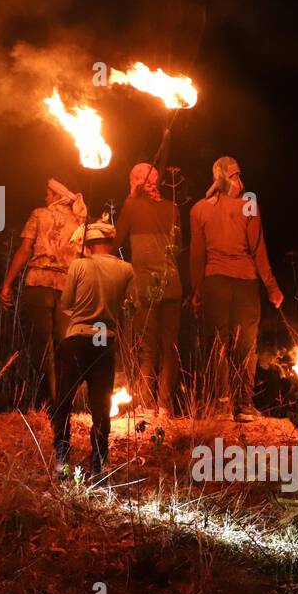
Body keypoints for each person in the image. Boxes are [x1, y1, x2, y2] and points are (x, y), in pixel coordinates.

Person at [189, 156, 284, 420]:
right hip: (223, 282)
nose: (240, 182)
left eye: (239, 175)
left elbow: (257, 248)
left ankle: (240, 404)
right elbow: (198, 255)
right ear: (220, 178)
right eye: (233, 176)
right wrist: (197, 289)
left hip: (237, 282)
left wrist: (271, 287)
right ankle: (224, 404)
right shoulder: (203, 209)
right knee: (224, 344)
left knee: (242, 344)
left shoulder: (240, 205)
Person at [51, 220, 135, 478]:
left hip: (78, 337)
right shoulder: (126, 269)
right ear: (110, 243)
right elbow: (132, 307)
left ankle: (62, 455)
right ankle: (98, 462)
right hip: (104, 342)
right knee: (100, 406)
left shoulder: (78, 265)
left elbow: (66, 304)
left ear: (89, 244)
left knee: (64, 401)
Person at [0, 178, 87, 409]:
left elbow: (24, 251)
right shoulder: (80, 220)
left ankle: (47, 400)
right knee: (65, 343)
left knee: (41, 344)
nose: (45, 198)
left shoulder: (39, 214)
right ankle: (66, 401)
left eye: (47, 194)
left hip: (38, 283)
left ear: (56, 196)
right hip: (68, 287)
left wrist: (7, 283)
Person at [116, 163, 184, 415]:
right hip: (172, 284)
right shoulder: (173, 208)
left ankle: (145, 404)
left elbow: (116, 240)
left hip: (145, 286)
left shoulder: (132, 206)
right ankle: (164, 405)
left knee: (147, 350)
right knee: (169, 349)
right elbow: (178, 246)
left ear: (135, 181)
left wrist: (130, 198)